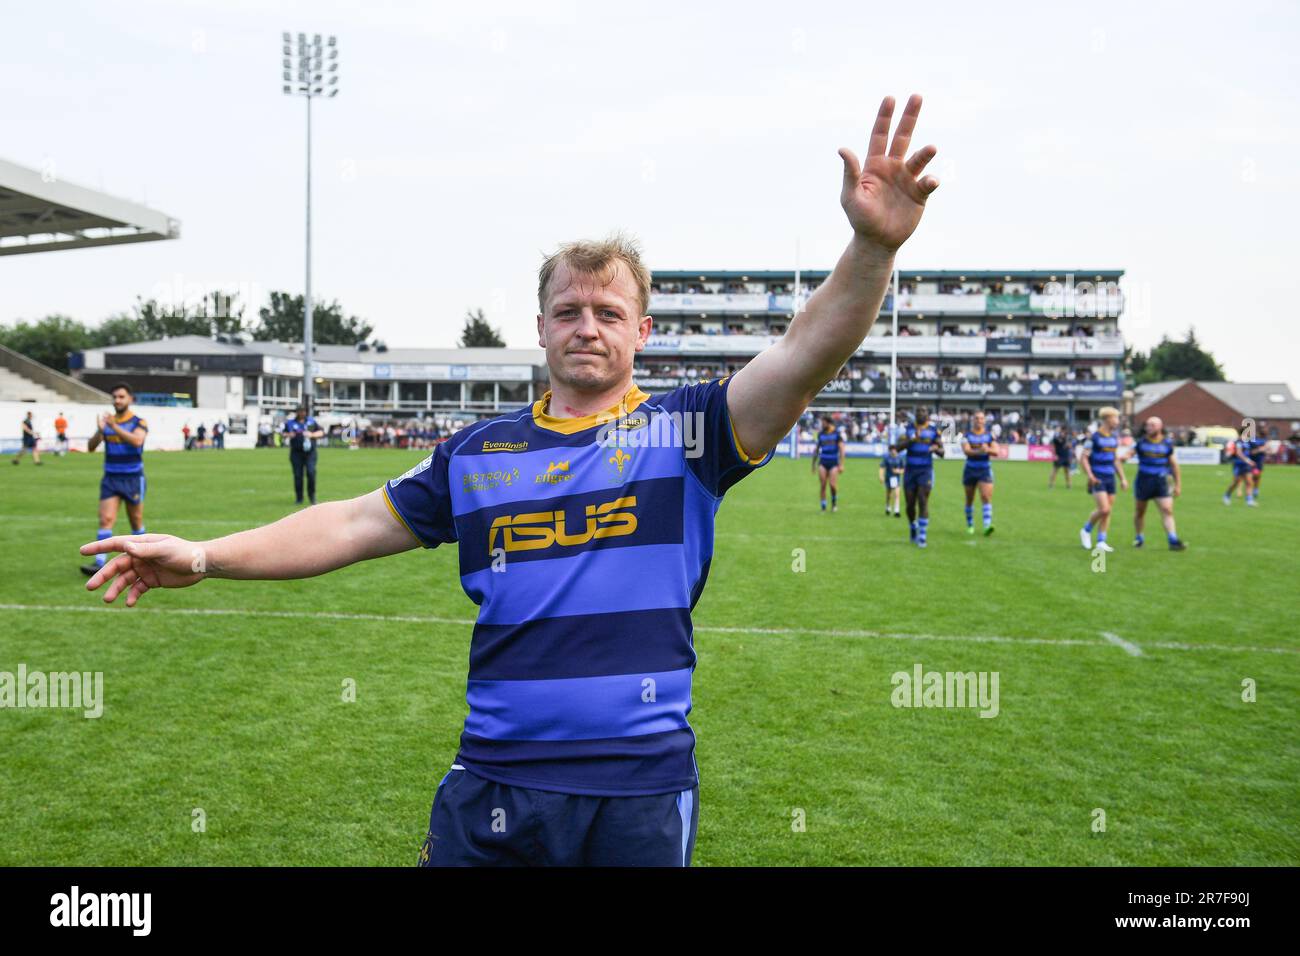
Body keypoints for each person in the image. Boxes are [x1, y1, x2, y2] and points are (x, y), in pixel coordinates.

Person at [80, 93, 940, 867]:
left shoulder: (691, 428)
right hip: (495, 780)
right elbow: (347, 525)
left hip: (638, 790)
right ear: (539, 326)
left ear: (642, 329)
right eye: (569, 311)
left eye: (609, 313)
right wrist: (202, 555)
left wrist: (869, 248)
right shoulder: (478, 454)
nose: (588, 328)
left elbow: (806, 350)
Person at [80, 383, 149, 576]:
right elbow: (91, 447)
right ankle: (99, 562)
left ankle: (143, 558)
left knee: (135, 521)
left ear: (130, 399)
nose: (117, 400)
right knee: (106, 519)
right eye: (115, 397)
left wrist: (113, 426)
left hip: (133, 478)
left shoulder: (138, 422)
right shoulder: (108, 424)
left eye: (121, 396)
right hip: (111, 478)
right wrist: (100, 431)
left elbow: (137, 441)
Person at [1131, 416, 1186, 551]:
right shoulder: (1141, 442)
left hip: (1161, 481)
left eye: (1152, 425)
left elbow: (1174, 465)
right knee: (1140, 512)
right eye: (1148, 425)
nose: (1149, 427)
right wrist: (1122, 457)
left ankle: (1172, 539)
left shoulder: (1167, 444)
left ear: (1160, 427)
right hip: (1143, 482)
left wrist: (1178, 484)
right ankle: (1139, 537)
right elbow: (1129, 453)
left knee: (1167, 510)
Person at [1079, 407, 1126, 552]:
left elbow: (1115, 460)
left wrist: (1122, 478)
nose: (1117, 421)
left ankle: (1101, 541)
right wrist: (1091, 476)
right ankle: (1086, 530)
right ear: (1107, 419)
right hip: (1098, 477)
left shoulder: (1113, 438)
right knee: (1104, 509)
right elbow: (1083, 458)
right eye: (1115, 418)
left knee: (1107, 511)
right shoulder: (1094, 437)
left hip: (1110, 477)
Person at [900, 407, 943, 547]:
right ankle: (913, 526)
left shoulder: (933, 431)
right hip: (910, 471)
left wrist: (936, 449)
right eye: (918, 411)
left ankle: (922, 536)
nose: (920, 414)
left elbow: (942, 452)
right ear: (915, 414)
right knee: (910, 506)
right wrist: (913, 439)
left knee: (923, 500)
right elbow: (898, 447)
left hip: (925, 470)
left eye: (923, 411)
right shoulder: (908, 429)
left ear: (927, 415)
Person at [960, 409, 997, 536]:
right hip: (970, 469)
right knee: (970, 499)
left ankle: (987, 526)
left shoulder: (989, 435)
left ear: (984, 421)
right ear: (973, 420)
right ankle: (970, 524)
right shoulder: (967, 436)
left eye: (981, 418)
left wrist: (988, 450)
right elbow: (966, 451)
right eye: (976, 418)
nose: (979, 421)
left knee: (986, 497)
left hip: (984, 469)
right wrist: (981, 451)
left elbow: (996, 451)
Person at [283, 407, 326, 505]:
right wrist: (289, 435)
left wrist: (312, 435)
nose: (302, 413)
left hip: (310, 453)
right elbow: (283, 433)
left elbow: (321, 432)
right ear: (297, 412)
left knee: (311, 473)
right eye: (300, 411)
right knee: (298, 476)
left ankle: (312, 497)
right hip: (296, 453)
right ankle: (299, 498)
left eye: (303, 411)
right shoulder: (290, 423)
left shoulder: (311, 422)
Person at [812, 417, 845, 512]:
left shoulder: (836, 434)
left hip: (834, 463)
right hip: (823, 462)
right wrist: (813, 464)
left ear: (828, 423)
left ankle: (834, 504)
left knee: (832, 485)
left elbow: (842, 449)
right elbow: (817, 450)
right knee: (823, 485)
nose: (822, 424)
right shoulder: (821, 434)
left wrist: (842, 464)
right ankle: (823, 507)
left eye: (823, 423)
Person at [1224, 435, 1255, 506]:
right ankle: (1227, 495)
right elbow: (1239, 453)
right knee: (1236, 482)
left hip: (1246, 465)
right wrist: (1248, 461)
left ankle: (1249, 500)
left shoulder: (1247, 443)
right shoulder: (1238, 442)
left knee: (1249, 482)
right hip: (1238, 464)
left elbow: (1250, 452)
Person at [878, 443, 904, 517]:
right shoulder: (887, 458)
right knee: (889, 495)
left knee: (897, 494)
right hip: (889, 478)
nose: (893, 451)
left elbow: (904, 469)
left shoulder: (900, 458)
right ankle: (888, 507)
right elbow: (882, 467)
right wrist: (881, 476)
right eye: (891, 450)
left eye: (894, 449)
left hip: (897, 479)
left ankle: (897, 510)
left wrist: (898, 471)